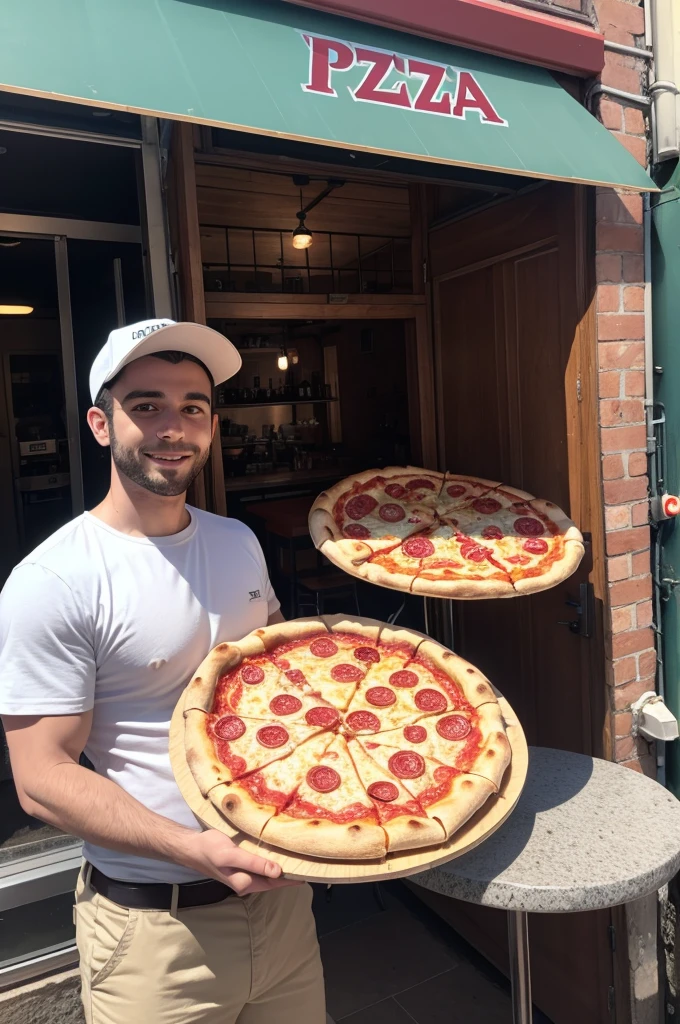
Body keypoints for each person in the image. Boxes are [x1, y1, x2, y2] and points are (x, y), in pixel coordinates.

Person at [0, 319, 326, 1024]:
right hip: (155, 932)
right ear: (100, 423)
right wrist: (194, 849)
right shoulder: (55, 579)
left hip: (285, 907)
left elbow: (281, 690)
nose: (172, 427)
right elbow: (40, 782)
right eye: (145, 405)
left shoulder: (239, 542)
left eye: (193, 407)